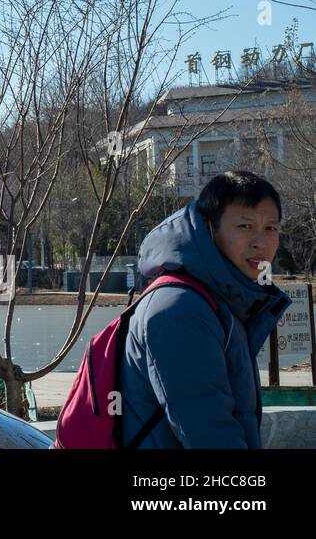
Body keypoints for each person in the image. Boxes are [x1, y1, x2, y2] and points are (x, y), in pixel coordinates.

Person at [120, 171, 291, 448]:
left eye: (270, 228)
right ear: (209, 226)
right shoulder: (179, 308)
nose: (261, 242)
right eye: (245, 226)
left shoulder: (221, 298)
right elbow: (209, 434)